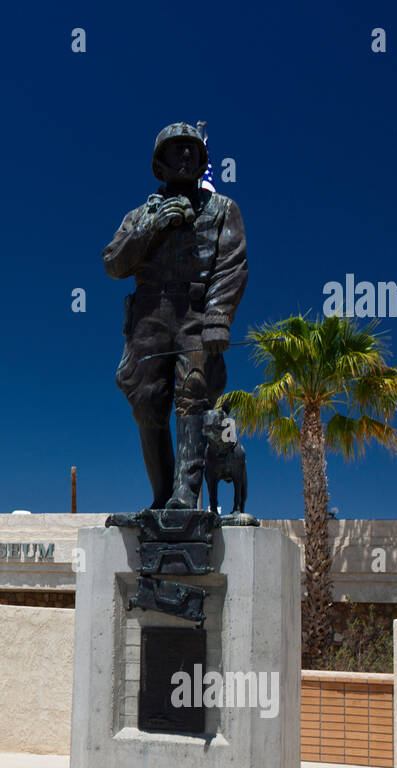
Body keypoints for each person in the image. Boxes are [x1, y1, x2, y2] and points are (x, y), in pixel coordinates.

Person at [103, 122, 248, 510]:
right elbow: (114, 264)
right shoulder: (139, 215)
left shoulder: (222, 209)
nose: (186, 155)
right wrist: (156, 223)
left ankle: (186, 496)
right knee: (146, 401)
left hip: (196, 313)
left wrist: (218, 317)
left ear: (203, 162)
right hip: (148, 316)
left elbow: (232, 265)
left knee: (194, 393)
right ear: (159, 165)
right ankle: (161, 497)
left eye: (192, 150)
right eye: (176, 149)